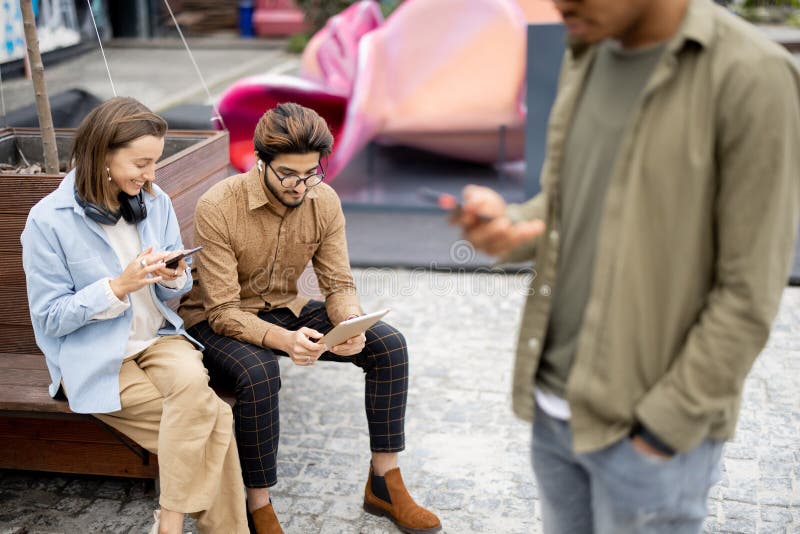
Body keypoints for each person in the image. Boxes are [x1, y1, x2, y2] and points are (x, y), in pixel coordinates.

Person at [452, 0, 800, 532]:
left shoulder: (753, 76)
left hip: (648, 438)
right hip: (552, 409)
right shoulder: (585, 51)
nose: (558, 4)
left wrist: (663, 429)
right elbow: (568, 204)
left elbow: (749, 290)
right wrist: (511, 227)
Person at [179, 102, 442, 534]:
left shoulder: (323, 199)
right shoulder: (219, 206)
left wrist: (350, 324)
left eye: (310, 173)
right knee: (259, 370)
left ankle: (384, 482)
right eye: (288, 174)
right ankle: (256, 504)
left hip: (284, 309)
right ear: (259, 161)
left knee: (388, 346)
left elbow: (338, 283)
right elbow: (223, 311)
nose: (300, 185)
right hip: (215, 320)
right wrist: (285, 342)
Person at [21, 97, 248, 534]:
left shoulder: (153, 201)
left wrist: (173, 277)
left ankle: (169, 519)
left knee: (197, 404)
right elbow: (50, 318)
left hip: (159, 338)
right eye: (141, 163)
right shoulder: (47, 221)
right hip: (97, 353)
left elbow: (177, 288)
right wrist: (117, 287)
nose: (151, 176)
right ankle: (187, 523)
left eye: (155, 163)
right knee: (212, 417)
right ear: (102, 155)